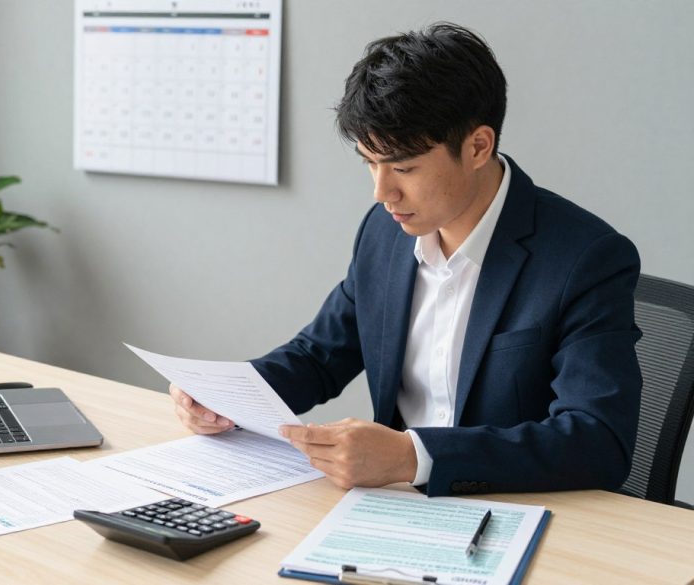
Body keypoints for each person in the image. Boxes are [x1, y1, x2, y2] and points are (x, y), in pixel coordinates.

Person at [169, 22, 642, 497]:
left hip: (516, 513)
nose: (383, 192)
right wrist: (227, 397)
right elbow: (320, 356)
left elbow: (598, 440)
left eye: (404, 167)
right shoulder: (386, 232)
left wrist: (413, 455)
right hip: (391, 509)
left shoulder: (586, 258)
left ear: (478, 146)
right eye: (369, 163)